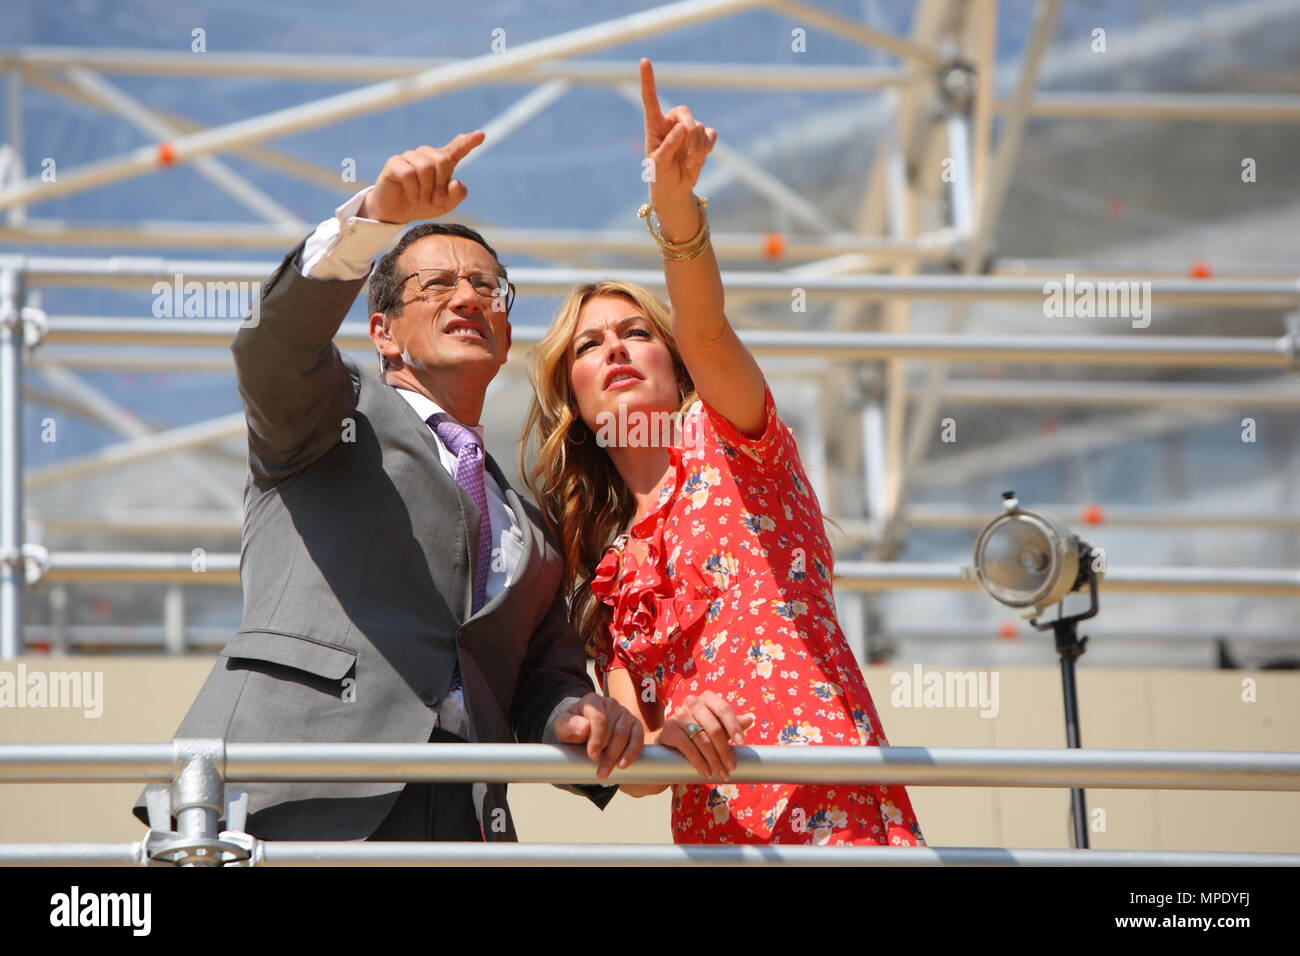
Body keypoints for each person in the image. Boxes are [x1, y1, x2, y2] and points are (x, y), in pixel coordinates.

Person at [133, 132, 644, 842]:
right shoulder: (329, 415)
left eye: (487, 287)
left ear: (505, 332)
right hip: (292, 794)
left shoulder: (533, 528)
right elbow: (274, 347)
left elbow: (541, 680)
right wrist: (372, 220)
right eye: (436, 286)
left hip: (461, 822)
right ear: (384, 333)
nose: (467, 297)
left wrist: (571, 715)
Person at [521, 59, 927, 845]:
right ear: (574, 400)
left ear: (677, 368)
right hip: (718, 839)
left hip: (836, 817)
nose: (615, 349)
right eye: (590, 345)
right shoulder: (607, 568)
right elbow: (634, 767)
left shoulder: (732, 438)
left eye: (636, 332)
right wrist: (664, 734)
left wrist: (675, 208)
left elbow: (706, 327)